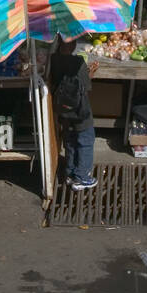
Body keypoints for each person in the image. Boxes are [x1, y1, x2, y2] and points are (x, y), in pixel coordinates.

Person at [50, 38, 95, 191]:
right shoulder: (79, 62)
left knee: (70, 141)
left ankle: (69, 173)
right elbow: (86, 86)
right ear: (72, 44)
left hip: (64, 111)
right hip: (80, 111)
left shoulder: (53, 60)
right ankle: (82, 177)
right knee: (86, 141)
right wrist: (90, 73)